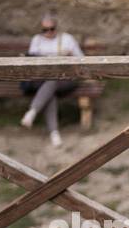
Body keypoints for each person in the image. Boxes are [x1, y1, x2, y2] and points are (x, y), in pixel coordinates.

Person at [18, 13, 84, 147]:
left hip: (66, 78)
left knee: (51, 82)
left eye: (51, 29)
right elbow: (31, 62)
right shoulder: (36, 40)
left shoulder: (67, 39)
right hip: (42, 80)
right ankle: (54, 133)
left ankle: (32, 112)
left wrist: (70, 56)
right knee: (50, 89)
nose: (48, 32)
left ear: (56, 28)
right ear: (41, 30)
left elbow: (82, 59)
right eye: (45, 30)